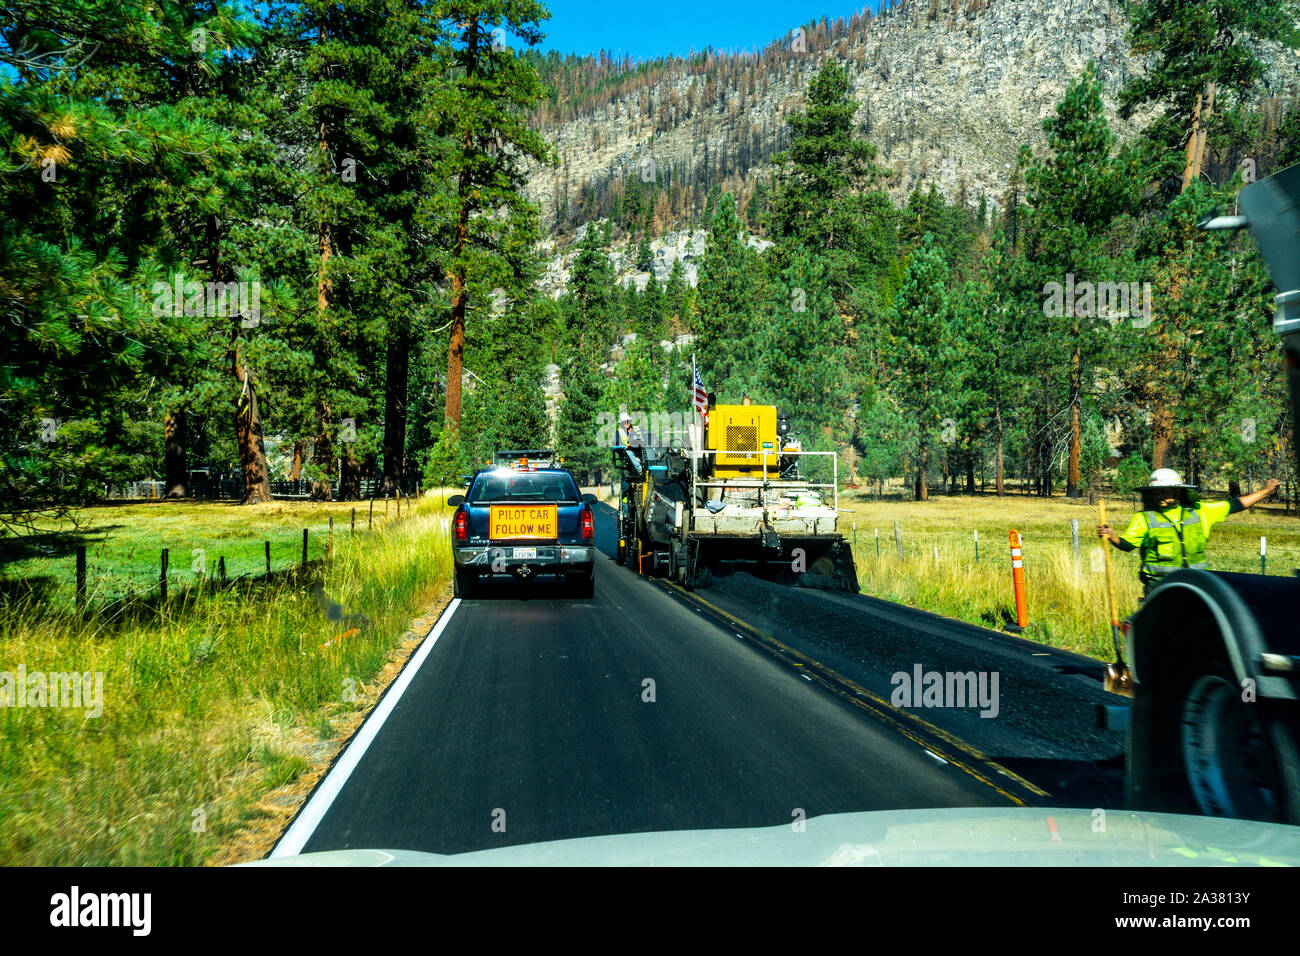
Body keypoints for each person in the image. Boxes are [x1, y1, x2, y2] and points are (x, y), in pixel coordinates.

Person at [1097, 468, 1281, 596]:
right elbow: (1128, 544)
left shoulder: (1200, 511)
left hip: (1199, 587)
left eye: (1164, 490)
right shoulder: (1144, 518)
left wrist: (1265, 491)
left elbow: (1236, 505)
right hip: (1160, 590)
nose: (1158, 495)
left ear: (1177, 492)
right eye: (1155, 492)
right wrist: (1112, 536)